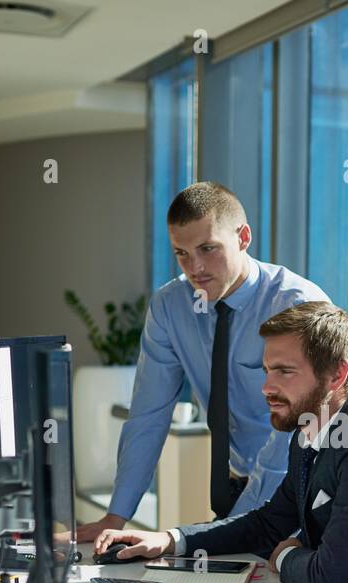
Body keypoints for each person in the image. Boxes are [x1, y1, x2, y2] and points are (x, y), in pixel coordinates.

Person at [96, 302, 348, 583]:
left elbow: (330, 581)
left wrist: (284, 555)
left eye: (285, 371)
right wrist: (171, 540)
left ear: (337, 374)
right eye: (267, 371)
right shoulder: (310, 430)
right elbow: (269, 523)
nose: (267, 387)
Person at [76, 182, 327, 543]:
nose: (196, 267)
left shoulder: (296, 303)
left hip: (302, 499)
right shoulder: (170, 307)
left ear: (243, 237)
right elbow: (148, 415)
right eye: (182, 253)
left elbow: (298, 428)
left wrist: (235, 530)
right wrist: (116, 516)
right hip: (239, 493)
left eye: (208, 249)